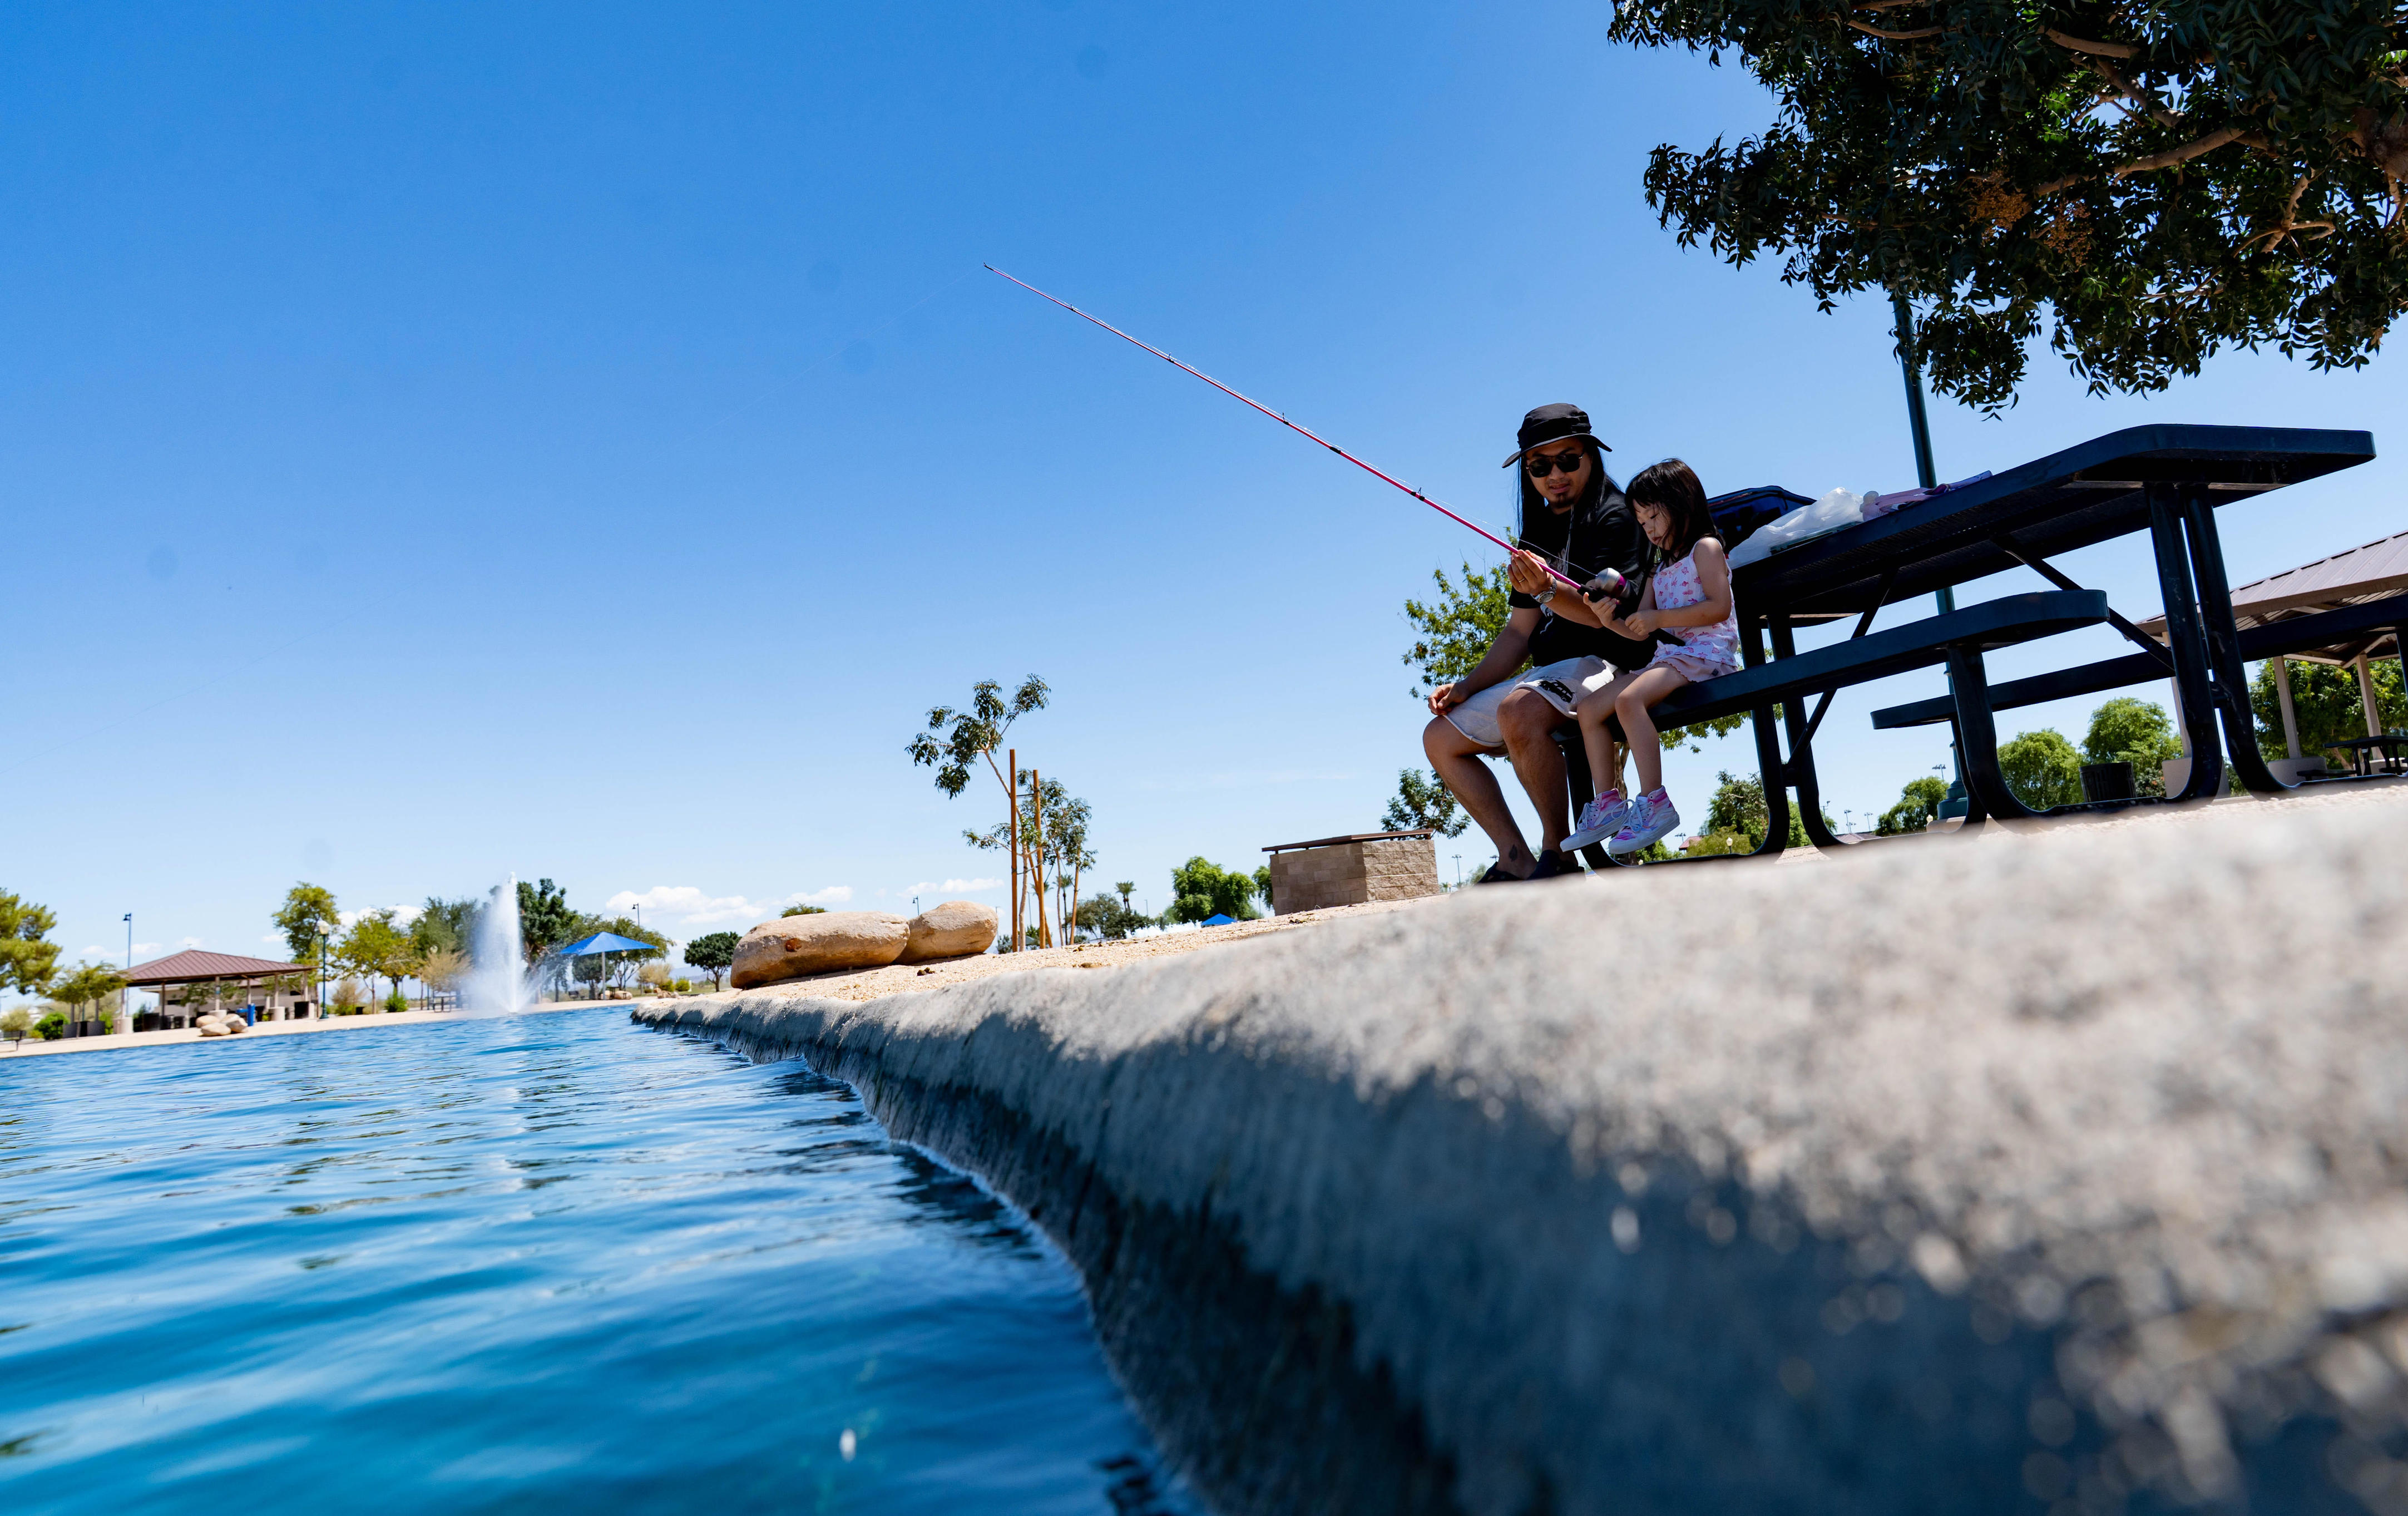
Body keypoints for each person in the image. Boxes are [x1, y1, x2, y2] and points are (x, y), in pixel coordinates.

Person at [1421, 404, 1665, 882]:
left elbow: (1608, 620)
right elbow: (1518, 633)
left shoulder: (1618, 516)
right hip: (1547, 675)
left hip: (1610, 662)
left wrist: (1548, 590)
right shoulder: (1534, 534)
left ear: (1591, 457)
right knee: (1439, 738)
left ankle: (1558, 855)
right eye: (1540, 465)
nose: (1555, 475)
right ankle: (1515, 858)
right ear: (1527, 470)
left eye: (1568, 460)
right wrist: (1466, 687)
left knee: (1519, 710)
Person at [1562, 459, 1739, 857]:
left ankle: (1654, 803)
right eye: (1643, 524)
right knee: (1589, 709)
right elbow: (1638, 629)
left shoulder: (1705, 549)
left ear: (1682, 504)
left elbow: (1718, 608)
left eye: (1654, 517)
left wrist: (1658, 617)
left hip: (1708, 653)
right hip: (1673, 657)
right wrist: (1608, 621)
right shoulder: (1659, 569)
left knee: (1628, 699)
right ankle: (1607, 804)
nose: (1651, 530)